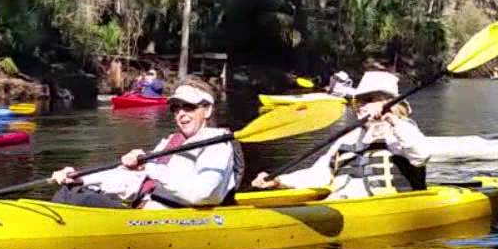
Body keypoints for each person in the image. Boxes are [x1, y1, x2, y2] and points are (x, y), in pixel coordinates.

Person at [50, 80, 239, 209]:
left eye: (188, 107)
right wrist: (82, 178)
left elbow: (205, 194)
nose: (181, 114)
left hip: (173, 222)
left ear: (207, 110)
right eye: (175, 108)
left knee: (77, 198)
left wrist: (150, 167)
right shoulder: (170, 142)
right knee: (71, 192)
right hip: (142, 216)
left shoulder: (218, 144)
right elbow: (133, 181)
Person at [251, 70, 431, 199]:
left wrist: (391, 118)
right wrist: (279, 181)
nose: (361, 106)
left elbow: (422, 155)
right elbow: (320, 174)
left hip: (388, 210)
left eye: (369, 100)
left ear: (388, 103)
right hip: (342, 205)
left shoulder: (401, 130)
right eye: (358, 101)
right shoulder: (349, 137)